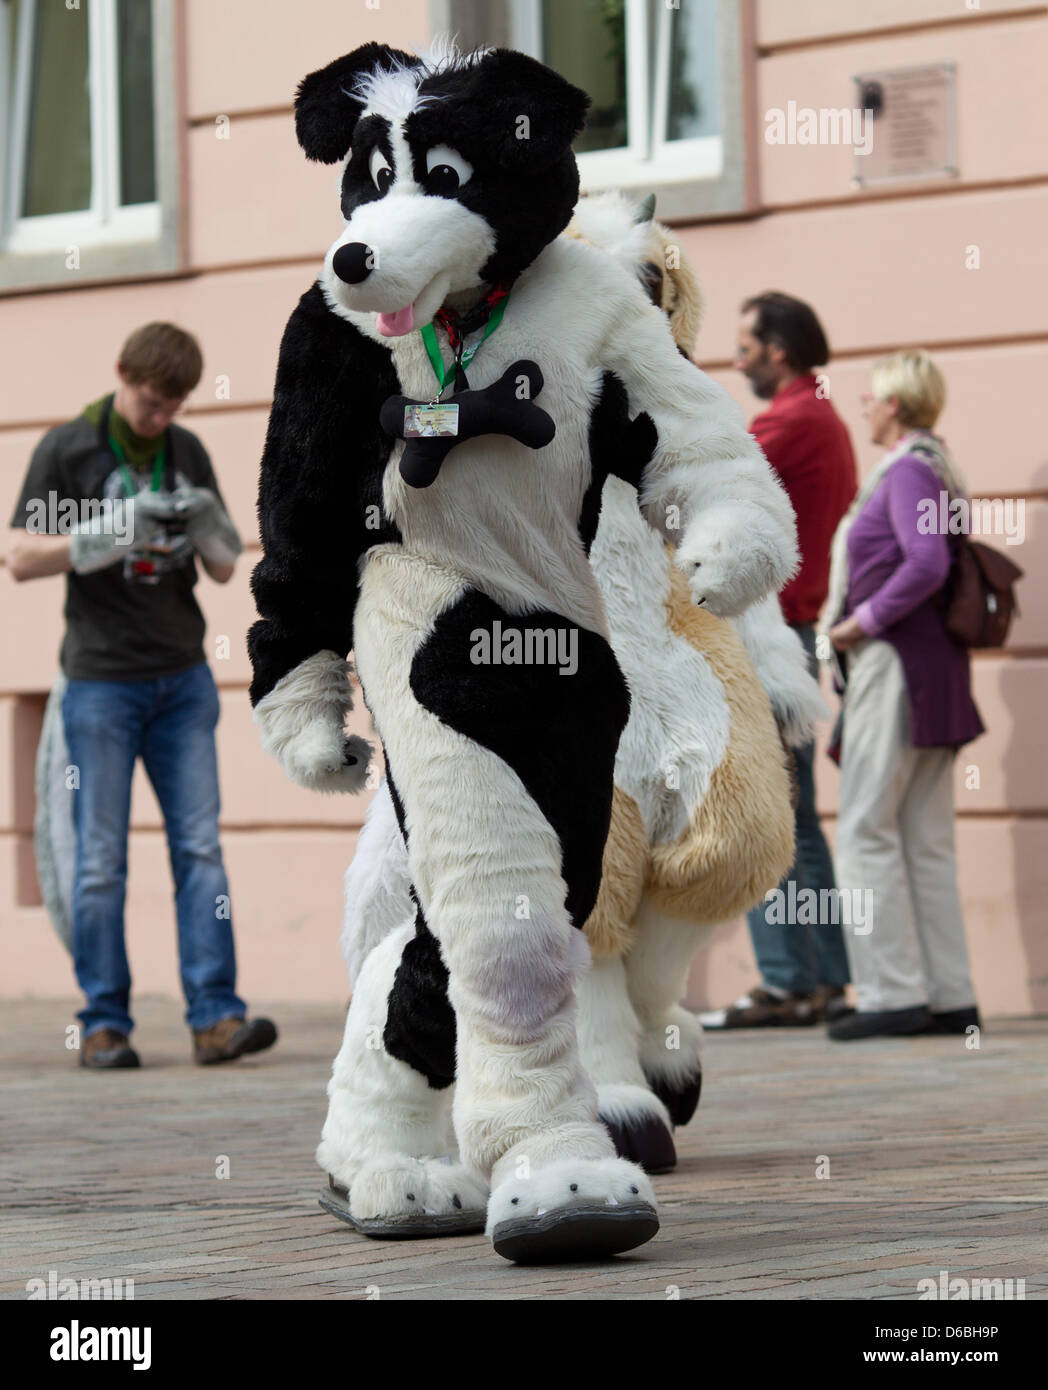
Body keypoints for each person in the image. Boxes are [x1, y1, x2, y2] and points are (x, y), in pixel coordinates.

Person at [7, 322, 277, 1070]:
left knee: (200, 850)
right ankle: (103, 1023)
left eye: (174, 407)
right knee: (99, 859)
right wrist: (111, 531)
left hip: (183, 679)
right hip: (99, 681)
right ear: (122, 372)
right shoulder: (69, 448)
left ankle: (216, 1019)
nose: (161, 419)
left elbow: (225, 569)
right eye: (153, 403)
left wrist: (205, 522)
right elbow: (19, 554)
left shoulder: (183, 450)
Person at [701, 292, 857, 1030]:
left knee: (766, 815)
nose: (738, 358)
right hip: (798, 634)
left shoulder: (788, 423)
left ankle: (790, 980)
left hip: (768, 640)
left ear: (780, 351)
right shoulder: (828, 421)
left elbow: (704, 486)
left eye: (747, 345)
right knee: (800, 822)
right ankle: (822, 980)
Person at [823, 350, 983, 1041]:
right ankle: (950, 998)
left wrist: (860, 624)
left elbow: (926, 562)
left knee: (865, 829)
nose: (864, 405)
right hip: (931, 669)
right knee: (924, 839)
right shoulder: (935, 465)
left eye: (872, 397)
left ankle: (891, 994)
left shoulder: (908, 469)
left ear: (895, 404)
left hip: (894, 664)